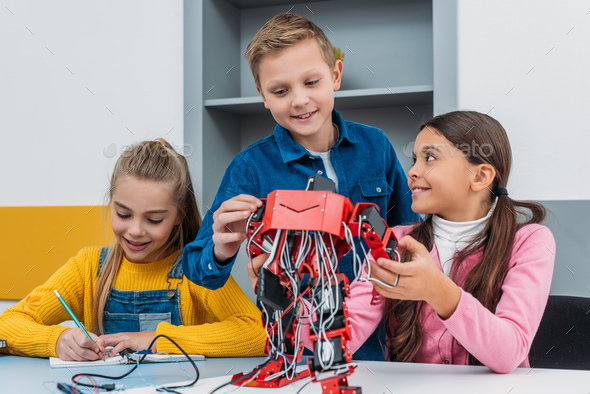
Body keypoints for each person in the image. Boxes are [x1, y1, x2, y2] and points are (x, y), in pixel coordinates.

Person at [182, 13, 417, 360]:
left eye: (311, 82)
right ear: (263, 95)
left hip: (383, 346)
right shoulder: (249, 168)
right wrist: (221, 249)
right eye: (280, 90)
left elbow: (412, 233)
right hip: (297, 351)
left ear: (335, 76)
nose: (299, 100)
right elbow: (199, 272)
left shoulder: (376, 146)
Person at [250, 111, 555, 373]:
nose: (412, 171)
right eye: (415, 159)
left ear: (480, 177)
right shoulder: (396, 241)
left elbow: (509, 353)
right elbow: (344, 335)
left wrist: (439, 291)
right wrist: (279, 298)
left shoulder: (529, 242)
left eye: (430, 157)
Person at [0, 139, 266, 361]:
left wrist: (157, 339)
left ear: (179, 215)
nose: (136, 230)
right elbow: (8, 323)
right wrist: (56, 340)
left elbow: (259, 333)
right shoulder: (88, 267)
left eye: (153, 219)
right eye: (123, 214)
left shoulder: (196, 270)